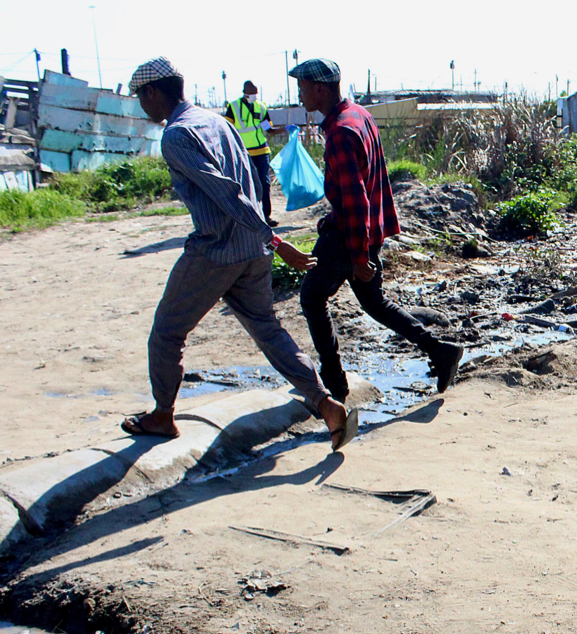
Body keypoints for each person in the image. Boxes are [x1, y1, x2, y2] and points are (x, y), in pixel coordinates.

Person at [121, 57, 358, 452]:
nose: (140, 105)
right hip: (252, 249)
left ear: (152, 93)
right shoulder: (218, 122)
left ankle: (163, 415)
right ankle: (326, 404)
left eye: (139, 97)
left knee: (167, 331)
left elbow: (224, 191)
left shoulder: (177, 135)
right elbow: (252, 180)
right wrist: (265, 240)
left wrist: (276, 240)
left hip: (218, 248)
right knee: (267, 329)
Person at [288, 58, 464, 402]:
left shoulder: (340, 131)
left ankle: (334, 383)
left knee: (312, 297)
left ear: (320, 89)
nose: (299, 92)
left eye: (303, 86)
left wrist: (357, 255)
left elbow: (355, 200)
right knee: (375, 303)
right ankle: (440, 351)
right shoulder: (358, 115)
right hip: (366, 230)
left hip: (349, 234)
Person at [224, 80, 276, 226]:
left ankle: (266, 216)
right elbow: (227, 128)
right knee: (246, 184)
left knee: (264, 183)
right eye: (250, 93)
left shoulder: (261, 106)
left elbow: (268, 128)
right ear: (244, 92)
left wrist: (285, 129)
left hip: (261, 150)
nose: (253, 95)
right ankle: (251, 217)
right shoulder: (233, 107)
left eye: (255, 93)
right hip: (243, 151)